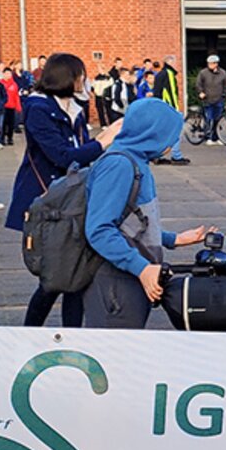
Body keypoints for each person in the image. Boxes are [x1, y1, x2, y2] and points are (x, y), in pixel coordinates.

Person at [9, 53, 120, 326]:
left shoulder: (74, 108)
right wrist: (103, 142)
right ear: (66, 77)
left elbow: (80, 151)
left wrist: (100, 142)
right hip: (49, 202)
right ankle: (30, 333)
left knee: (77, 276)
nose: (84, 81)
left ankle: (71, 335)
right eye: (80, 75)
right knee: (54, 278)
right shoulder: (39, 108)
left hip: (74, 199)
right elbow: (62, 156)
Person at [80, 98, 209, 329]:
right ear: (153, 134)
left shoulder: (138, 161)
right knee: (116, 348)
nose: (174, 141)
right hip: (116, 281)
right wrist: (141, 267)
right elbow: (99, 229)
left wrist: (173, 239)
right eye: (171, 135)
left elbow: (133, 223)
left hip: (131, 274)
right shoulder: (119, 165)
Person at [194, 54, 226, 145]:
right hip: (207, 99)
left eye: (211, 63)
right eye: (209, 63)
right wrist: (200, 92)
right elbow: (198, 84)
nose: (210, 65)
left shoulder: (223, 73)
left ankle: (216, 137)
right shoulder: (203, 73)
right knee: (209, 119)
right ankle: (208, 137)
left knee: (217, 119)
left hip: (219, 99)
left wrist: (224, 95)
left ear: (216, 64)